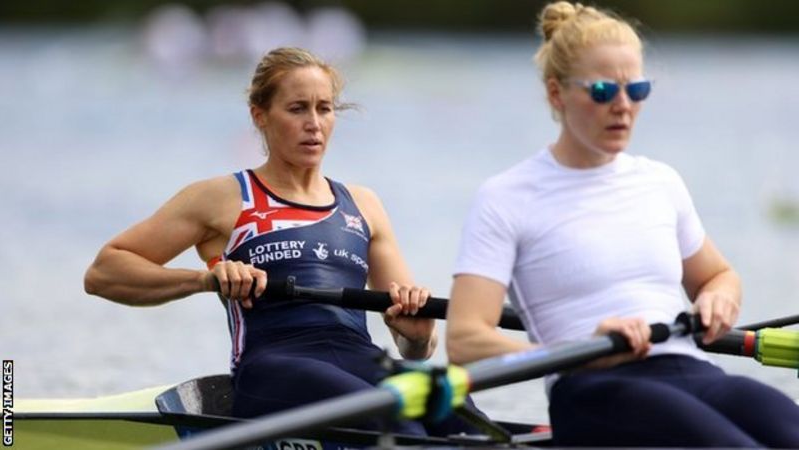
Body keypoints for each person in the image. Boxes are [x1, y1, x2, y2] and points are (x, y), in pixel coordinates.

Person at [445, 2, 799, 448]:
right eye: (602, 91)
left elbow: (718, 276)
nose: (623, 106)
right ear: (556, 94)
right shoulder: (506, 197)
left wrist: (717, 301)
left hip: (691, 370)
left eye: (638, 89)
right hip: (594, 390)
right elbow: (464, 341)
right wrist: (569, 354)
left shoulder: (659, 180)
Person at [84, 47, 478, 436]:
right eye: (297, 109)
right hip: (273, 369)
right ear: (261, 116)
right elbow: (104, 272)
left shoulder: (364, 205)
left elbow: (415, 351)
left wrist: (419, 334)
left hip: (360, 362)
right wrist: (203, 280)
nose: (314, 123)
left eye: (324, 108)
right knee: (394, 420)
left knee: (461, 410)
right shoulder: (221, 198)